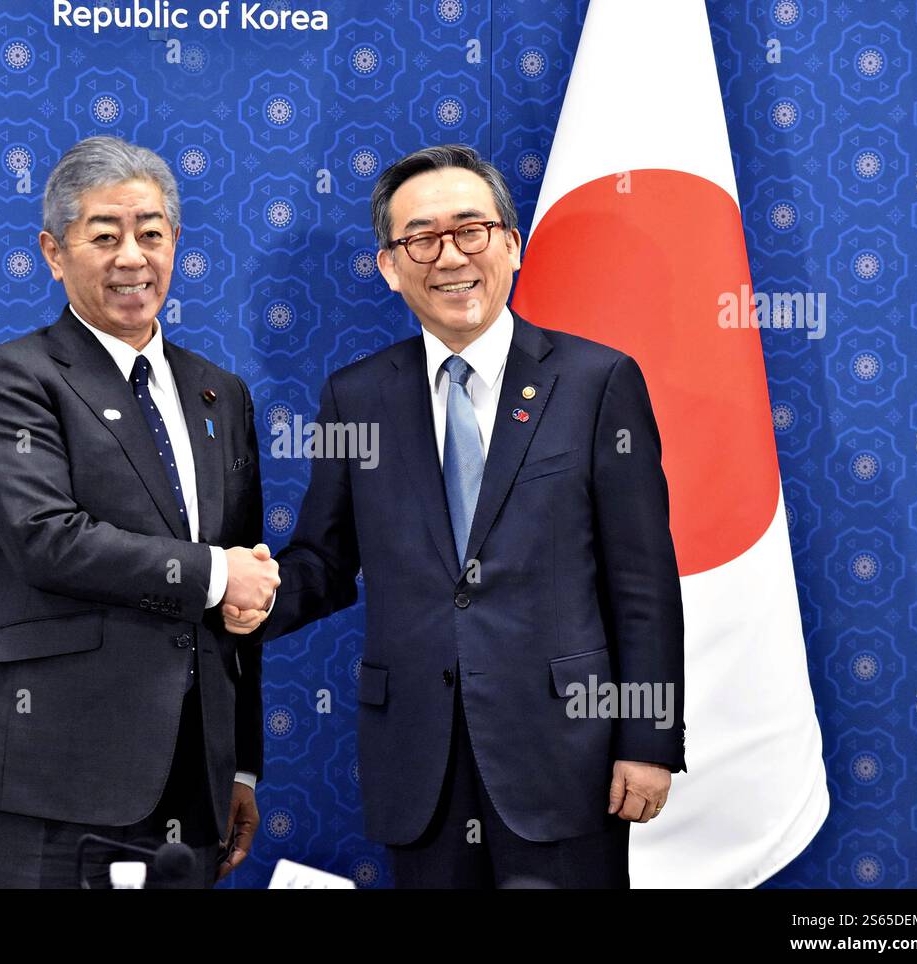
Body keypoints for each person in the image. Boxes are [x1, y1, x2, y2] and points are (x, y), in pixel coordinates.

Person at [224, 144, 686, 888]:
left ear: (511, 243)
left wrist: (651, 738)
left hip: (567, 757)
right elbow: (325, 561)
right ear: (390, 265)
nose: (451, 257)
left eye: (471, 230)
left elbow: (644, 586)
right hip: (419, 764)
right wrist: (248, 597)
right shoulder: (357, 397)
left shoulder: (598, 381)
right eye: (422, 238)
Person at [0, 136, 278, 888]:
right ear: (54, 253)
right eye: (105, 235)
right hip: (50, 777)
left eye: (151, 233)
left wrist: (241, 763)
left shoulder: (221, 393)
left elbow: (243, 590)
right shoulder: (14, 378)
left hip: (195, 785)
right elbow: (45, 540)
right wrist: (219, 573)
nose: (133, 257)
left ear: (176, 243)